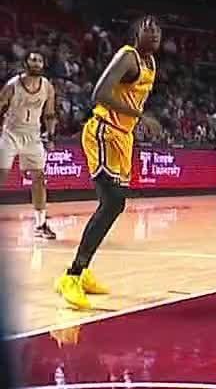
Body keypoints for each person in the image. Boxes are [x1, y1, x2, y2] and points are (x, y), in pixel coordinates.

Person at [56, 16, 161, 310]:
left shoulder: (151, 65)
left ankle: (83, 269)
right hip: (103, 131)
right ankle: (72, 276)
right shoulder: (128, 56)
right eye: (148, 29)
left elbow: (130, 99)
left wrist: (136, 120)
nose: (154, 34)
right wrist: (141, 117)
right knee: (113, 202)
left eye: (158, 31)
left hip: (123, 137)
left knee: (112, 204)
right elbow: (99, 94)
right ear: (135, 33)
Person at [0, 50, 58, 240]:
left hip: (33, 135)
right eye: (33, 60)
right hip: (11, 133)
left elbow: (49, 114)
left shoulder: (47, 87)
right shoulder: (12, 85)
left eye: (40, 60)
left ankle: (40, 224)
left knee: (39, 179)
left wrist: (50, 135)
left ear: (43, 65)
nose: (36, 63)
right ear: (26, 63)